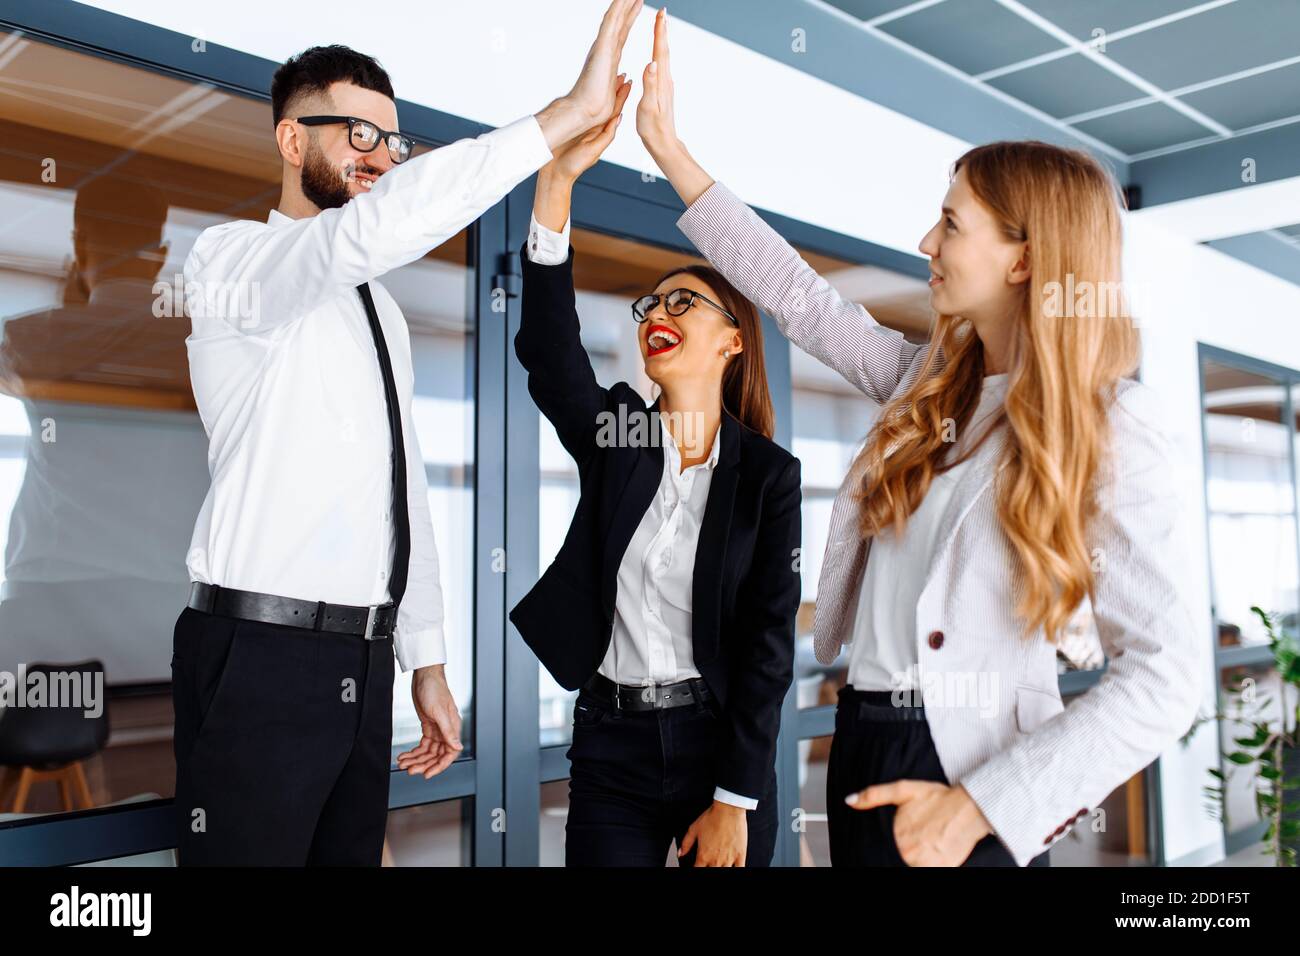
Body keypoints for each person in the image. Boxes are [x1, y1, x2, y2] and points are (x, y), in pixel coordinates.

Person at [634, 7, 1204, 866]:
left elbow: (1166, 675)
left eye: (952, 225)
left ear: (1023, 259)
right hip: (864, 741)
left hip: (969, 771)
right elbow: (799, 299)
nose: (926, 242)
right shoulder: (924, 385)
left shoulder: (1108, 423)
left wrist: (977, 809)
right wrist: (671, 152)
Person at [172, 0, 645, 865]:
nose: (382, 156)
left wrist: (424, 656)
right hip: (257, 654)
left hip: (364, 658)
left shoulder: (381, 313)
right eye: (358, 133)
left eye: (392, 141)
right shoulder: (228, 263)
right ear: (290, 140)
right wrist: (557, 121)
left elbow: (403, 493)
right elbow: (363, 235)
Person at [508, 77, 801, 867]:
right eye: (651, 308)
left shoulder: (768, 477)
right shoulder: (619, 434)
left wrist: (735, 799)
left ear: (733, 341)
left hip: (719, 745)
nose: (657, 316)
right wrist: (556, 185)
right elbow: (549, 355)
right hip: (612, 743)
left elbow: (769, 645)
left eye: (682, 305)